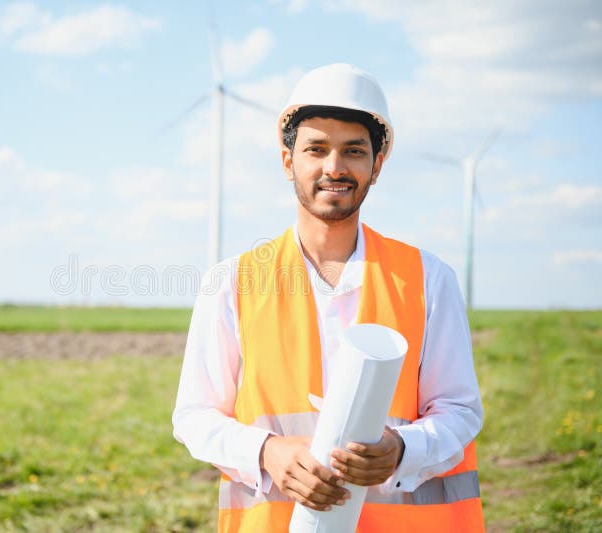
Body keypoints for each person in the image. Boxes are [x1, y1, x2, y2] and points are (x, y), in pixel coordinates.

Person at [172, 63, 485, 532]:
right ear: (287, 160)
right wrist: (267, 452)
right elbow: (194, 416)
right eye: (316, 149)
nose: (334, 168)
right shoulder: (232, 281)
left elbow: (459, 411)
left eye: (354, 151)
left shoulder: (428, 278)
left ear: (376, 166)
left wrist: (403, 451)